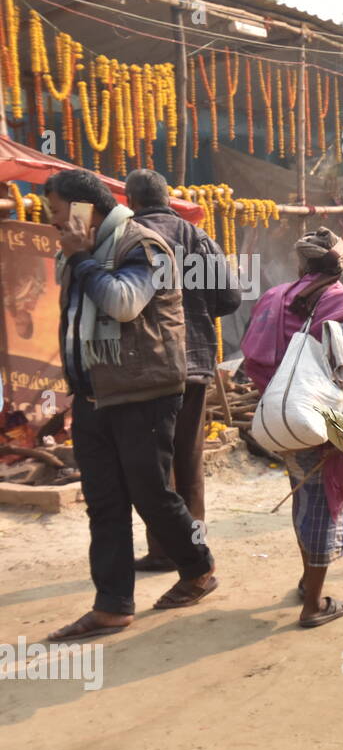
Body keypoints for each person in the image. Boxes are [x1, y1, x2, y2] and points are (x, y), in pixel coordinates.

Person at [43, 169, 218, 641]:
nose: (55, 225)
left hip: (144, 393)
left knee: (152, 495)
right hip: (94, 396)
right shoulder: (83, 253)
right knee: (104, 505)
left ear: (86, 210)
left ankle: (199, 565)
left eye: (58, 215)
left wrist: (81, 259)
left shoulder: (142, 246)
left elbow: (123, 303)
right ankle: (113, 605)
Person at [241, 228, 343, 628]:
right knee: (324, 506)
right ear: (340, 265)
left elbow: (254, 359)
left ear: (301, 263)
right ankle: (313, 603)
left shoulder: (273, 299)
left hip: (281, 420)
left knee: (304, 498)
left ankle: (305, 579)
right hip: (321, 421)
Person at [123, 168, 242, 573]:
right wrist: (198, 306)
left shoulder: (126, 238)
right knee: (187, 460)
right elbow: (229, 298)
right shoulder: (197, 238)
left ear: (130, 201)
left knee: (153, 465)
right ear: (168, 198)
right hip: (194, 364)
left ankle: (162, 550)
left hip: (145, 369)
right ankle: (192, 550)